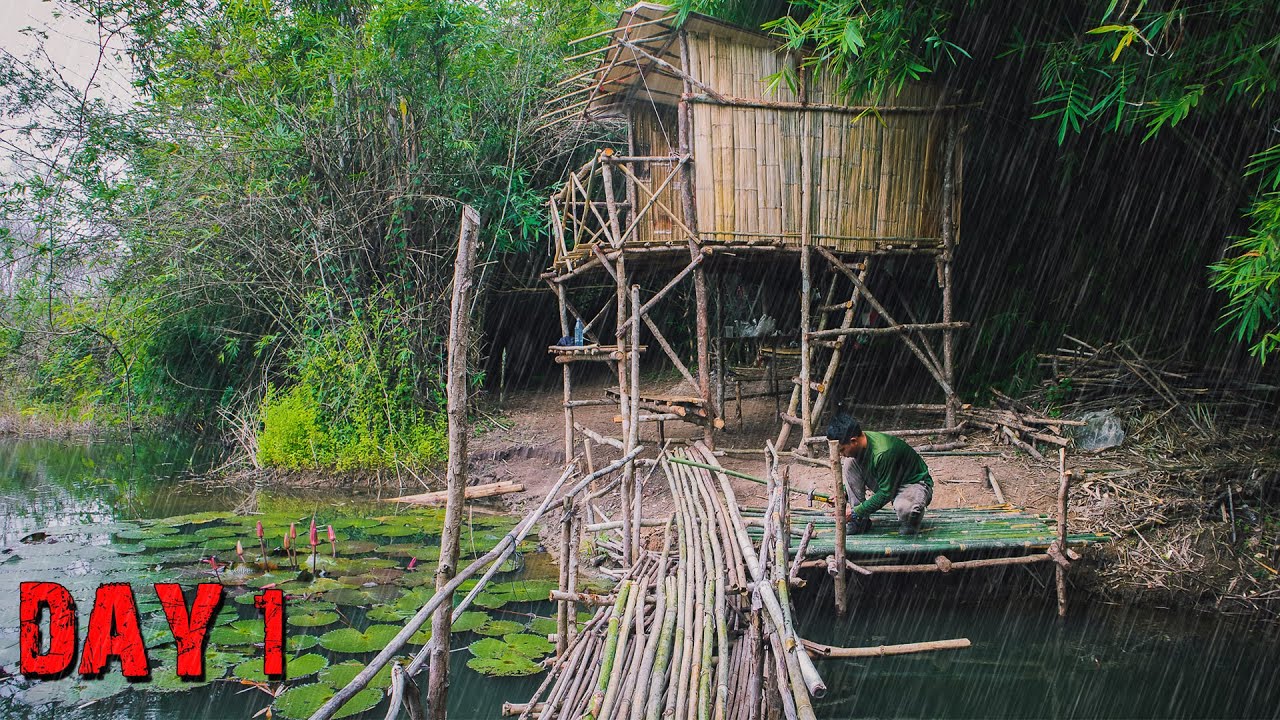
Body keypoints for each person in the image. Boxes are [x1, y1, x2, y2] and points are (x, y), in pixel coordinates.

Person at [826, 412, 934, 536]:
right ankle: (860, 522)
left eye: (842, 450)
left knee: (905, 509)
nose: (841, 454)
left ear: (853, 441)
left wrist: (856, 512)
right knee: (850, 463)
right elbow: (866, 475)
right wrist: (845, 493)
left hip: (914, 483)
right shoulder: (861, 444)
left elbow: (886, 493)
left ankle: (910, 522)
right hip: (890, 479)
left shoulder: (883, 453)